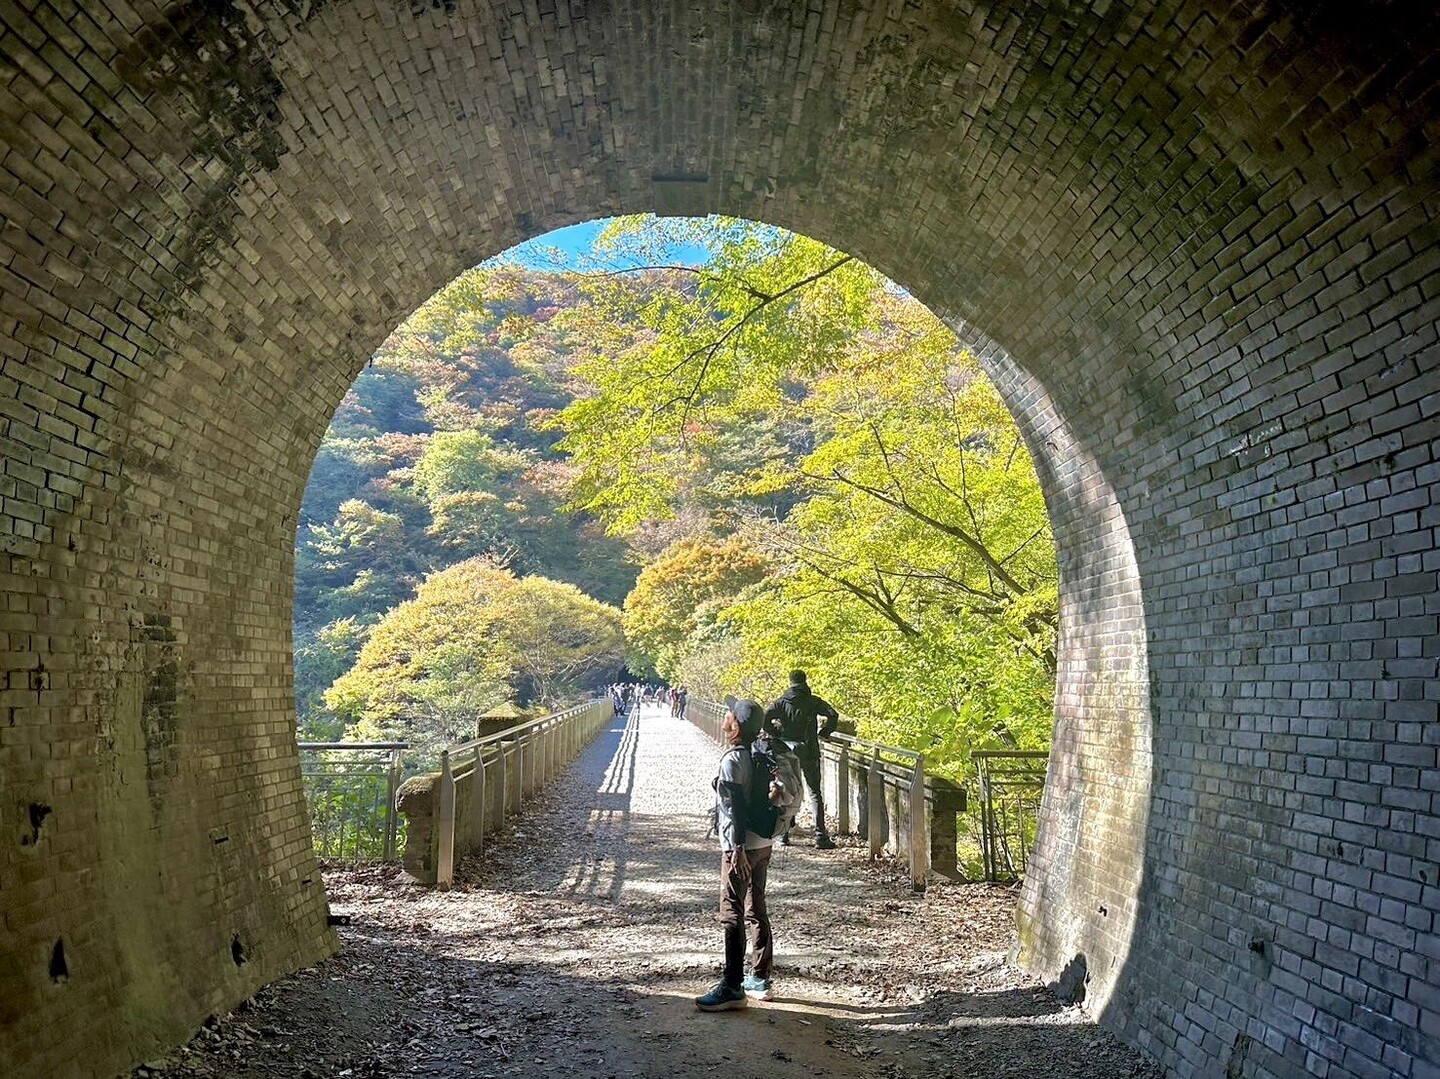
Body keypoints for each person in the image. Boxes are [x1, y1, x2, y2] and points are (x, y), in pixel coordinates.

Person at [695, 697, 776, 1011]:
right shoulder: (760, 753)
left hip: (739, 848)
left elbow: (733, 808)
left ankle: (731, 986)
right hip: (763, 844)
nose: (725, 718)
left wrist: (736, 848)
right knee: (757, 907)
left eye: (729, 715)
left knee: (732, 914)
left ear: (736, 724)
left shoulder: (733, 759)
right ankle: (760, 977)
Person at [764, 670, 839, 849]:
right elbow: (833, 714)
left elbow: (765, 721)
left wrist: (778, 734)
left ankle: (784, 834)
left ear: (790, 682)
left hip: (786, 750)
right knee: (815, 792)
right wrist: (824, 732)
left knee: (788, 790)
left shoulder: (780, 703)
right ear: (804, 682)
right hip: (809, 751)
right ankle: (820, 835)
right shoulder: (813, 702)